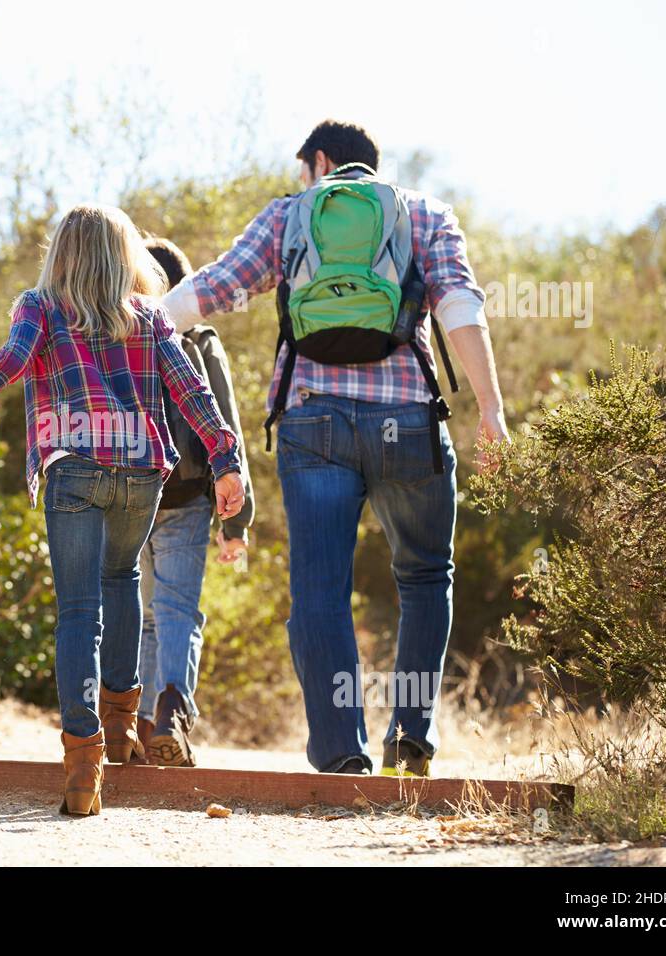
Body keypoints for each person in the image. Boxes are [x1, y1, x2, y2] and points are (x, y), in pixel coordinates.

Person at [161, 120, 508, 777]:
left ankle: (341, 754)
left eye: (303, 171)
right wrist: (490, 409)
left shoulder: (289, 215)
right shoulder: (425, 214)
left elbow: (215, 289)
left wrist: (139, 319)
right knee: (425, 576)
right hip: (407, 421)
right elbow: (461, 306)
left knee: (320, 589)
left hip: (312, 423)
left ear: (319, 162)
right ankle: (410, 738)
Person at [0, 205, 244, 815]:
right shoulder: (149, 314)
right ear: (126, 257)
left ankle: (84, 760)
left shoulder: (38, 306)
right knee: (122, 579)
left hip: (74, 468)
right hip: (143, 472)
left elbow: (11, 363)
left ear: (59, 253)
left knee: (78, 609)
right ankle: (121, 723)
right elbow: (190, 390)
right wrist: (226, 461)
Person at [136, 237, 255, 766]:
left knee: (143, 617)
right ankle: (171, 712)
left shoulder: (123, 333)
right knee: (178, 608)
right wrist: (238, 520)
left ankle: (137, 720)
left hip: (131, 493)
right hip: (186, 495)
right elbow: (226, 422)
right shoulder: (200, 337)